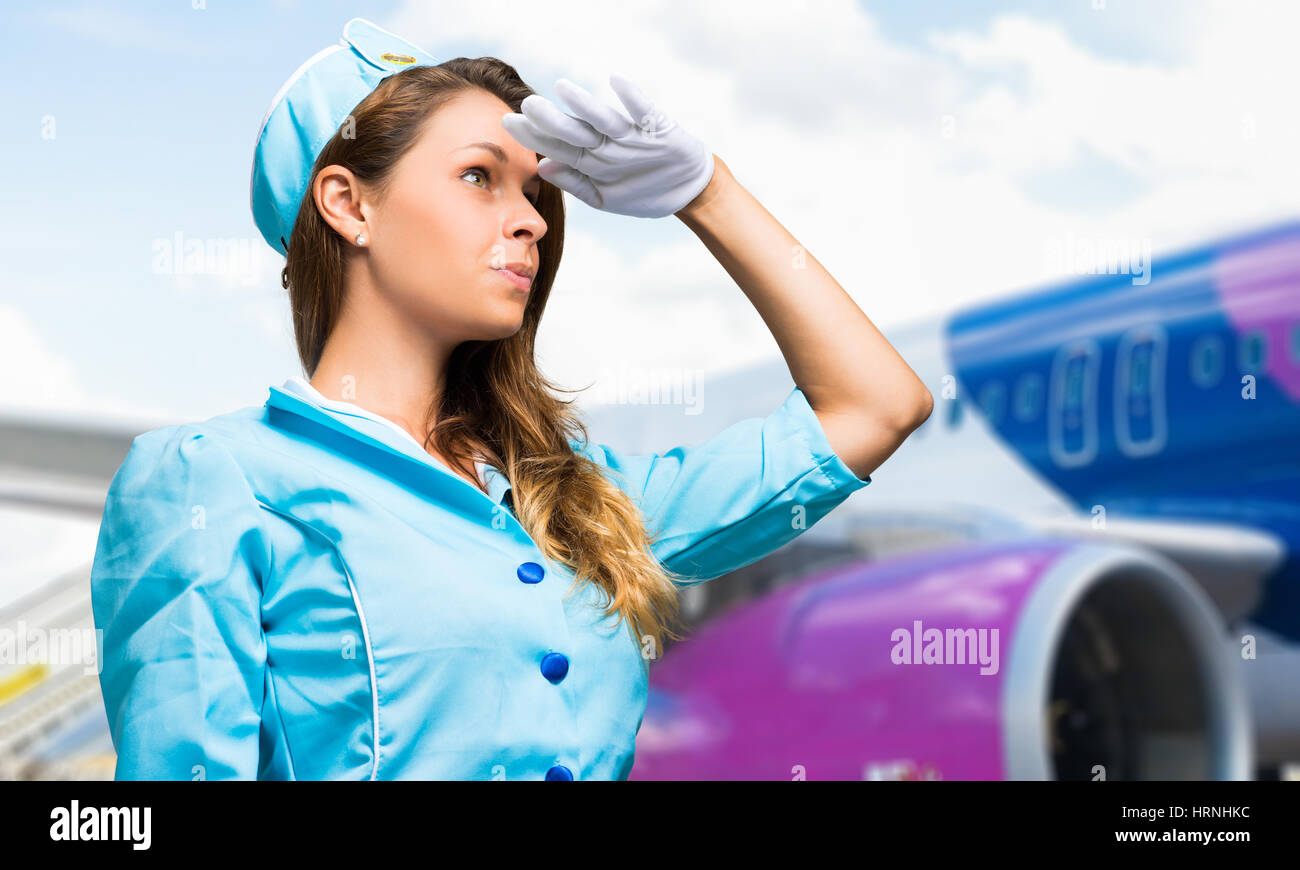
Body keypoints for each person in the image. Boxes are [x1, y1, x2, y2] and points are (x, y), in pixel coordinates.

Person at [90, 17, 932, 780]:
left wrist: (707, 193)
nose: (530, 218)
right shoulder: (213, 480)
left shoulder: (582, 502)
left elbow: (875, 404)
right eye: (477, 177)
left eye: (532, 191)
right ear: (349, 205)